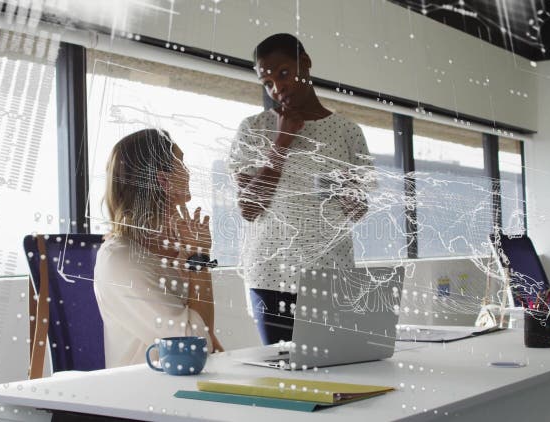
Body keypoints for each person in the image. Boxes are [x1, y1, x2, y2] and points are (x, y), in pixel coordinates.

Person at [228, 33, 373, 345]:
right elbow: (250, 208)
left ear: (304, 63)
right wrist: (281, 142)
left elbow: (359, 211)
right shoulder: (253, 129)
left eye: (283, 73)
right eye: (267, 82)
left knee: (338, 375)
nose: (277, 88)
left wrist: (346, 191)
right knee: (284, 376)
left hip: (331, 274)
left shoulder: (348, 132)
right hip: (271, 275)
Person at [94, 128, 223, 368]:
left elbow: (209, 341)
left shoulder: (177, 246)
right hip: (146, 392)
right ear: (163, 180)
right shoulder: (120, 260)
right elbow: (192, 344)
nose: (188, 172)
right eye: (181, 163)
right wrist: (199, 261)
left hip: (185, 382)